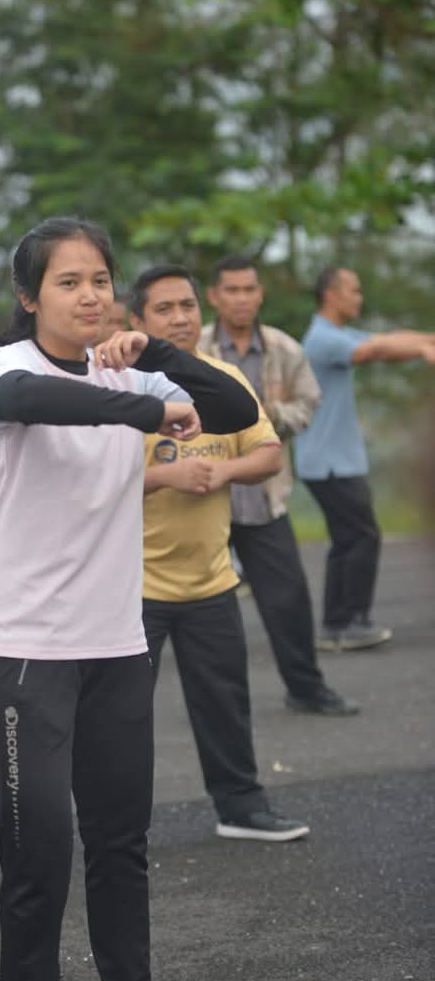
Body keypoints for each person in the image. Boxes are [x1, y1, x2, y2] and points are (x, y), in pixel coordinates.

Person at [0, 217, 258, 981]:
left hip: (117, 647)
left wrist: (158, 356)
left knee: (121, 844)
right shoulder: (7, 366)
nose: (89, 295)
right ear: (29, 296)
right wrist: (147, 409)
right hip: (22, 652)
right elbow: (31, 402)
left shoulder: (133, 372)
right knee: (37, 856)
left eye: (100, 279)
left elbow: (236, 407)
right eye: (68, 282)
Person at [131, 264, 310, 842]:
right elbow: (91, 484)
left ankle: (241, 808)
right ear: (137, 322)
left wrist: (222, 471)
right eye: (164, 309)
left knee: (225, 703)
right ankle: (114, 825)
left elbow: (269, 453)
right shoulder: (119, 387)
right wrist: (168, 476)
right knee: (119, 717)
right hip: (132, 589)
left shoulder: (223, 380)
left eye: (187, 306)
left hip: (210, 581)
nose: (180, 318)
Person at [200, 254, 358, 713]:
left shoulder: (284, 349)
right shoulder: (196, 348)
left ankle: (306, 689)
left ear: (260, 294)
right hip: (207, 496)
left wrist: (268, 413)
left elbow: (309, 404)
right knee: (196, 609)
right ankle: (211, 706)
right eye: (232, 290)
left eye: (249, 289)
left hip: (264, 495)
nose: (242, 298)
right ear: (214, 296)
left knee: (288, 600)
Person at [294, 266, 435, 651]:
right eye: (353, 290)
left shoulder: (335, 333)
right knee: (361, 537)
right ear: (331, 294)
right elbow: (376, 351)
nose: (359, 297)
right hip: (329, 463)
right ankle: (347, 622)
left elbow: (387, 339)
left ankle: (338, 624)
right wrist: (423, 351)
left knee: (350, 539)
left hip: (332, 461)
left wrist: (427, 339)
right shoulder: (323, 339)